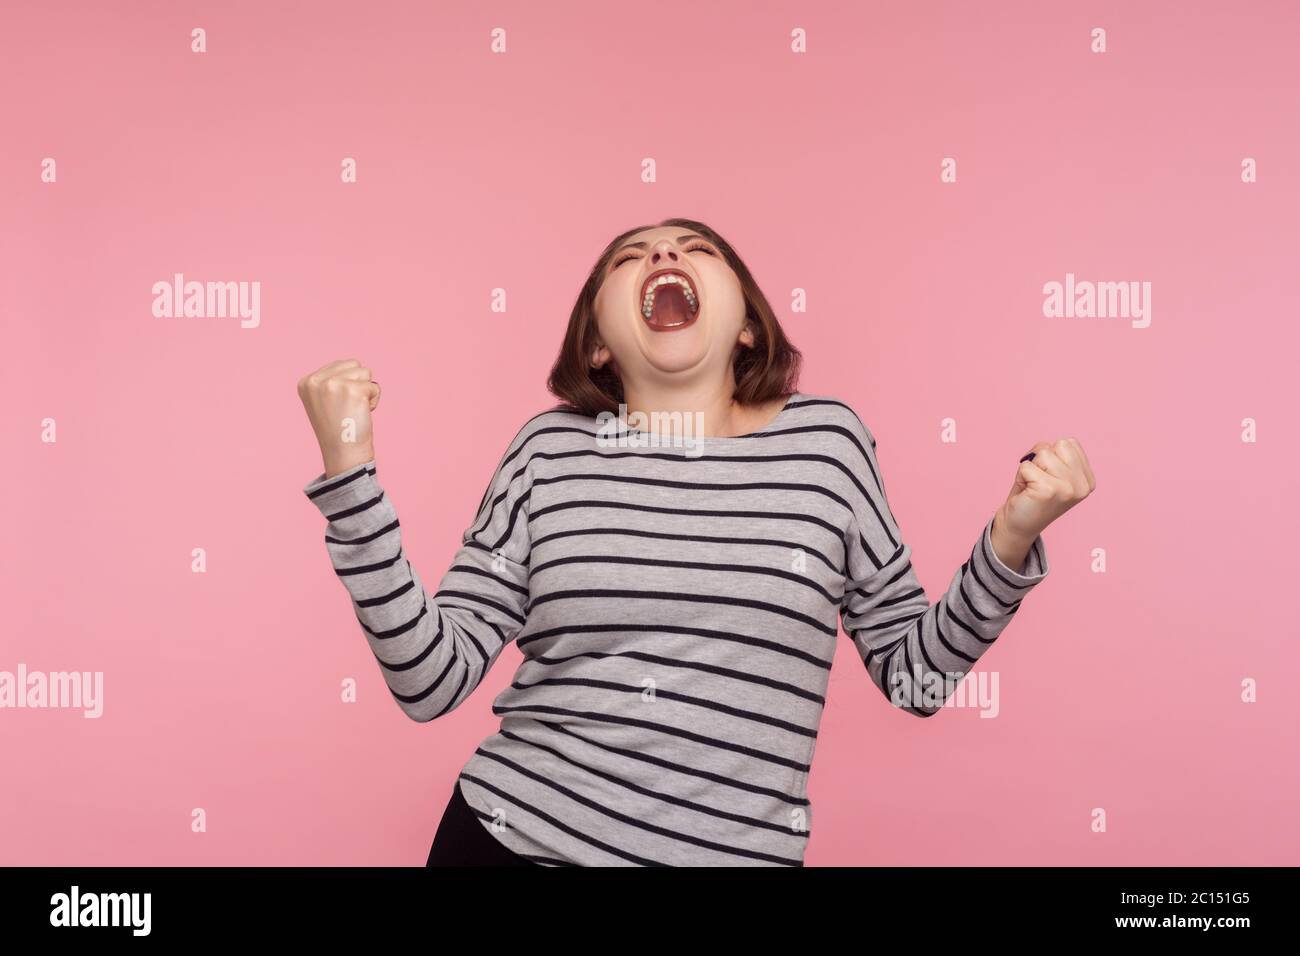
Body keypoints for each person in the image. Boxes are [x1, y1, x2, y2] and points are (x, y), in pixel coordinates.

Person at [296, 217, 1095, 867]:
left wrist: (1012, 539)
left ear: (747, 328)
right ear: (598, 343)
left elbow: (915, 678)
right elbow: (430, 682)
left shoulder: (828, 446)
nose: (666, 253)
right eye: (630, 255)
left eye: (698, 248)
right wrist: (351, 475)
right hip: (512, 842)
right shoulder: (549, 452)